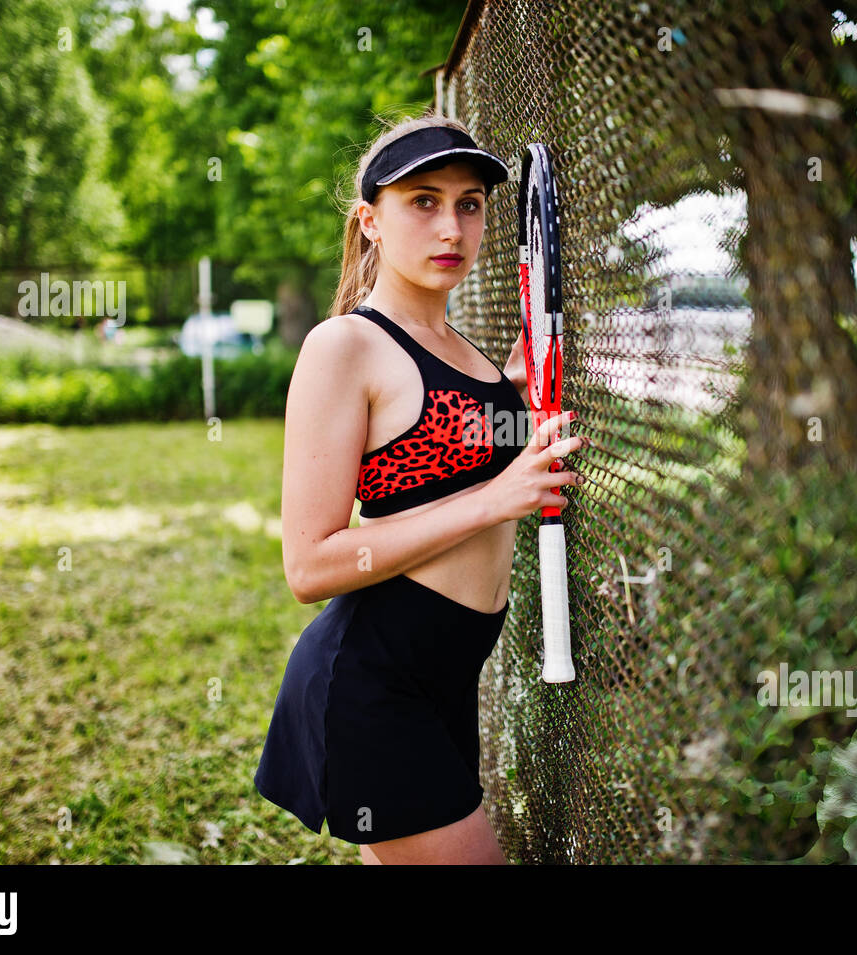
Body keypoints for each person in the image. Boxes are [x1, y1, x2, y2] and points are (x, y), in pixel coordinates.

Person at [254, 110, 589, 865]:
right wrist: (499, 497)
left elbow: (448, 438)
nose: (452, 227)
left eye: (469, 204)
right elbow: (309, 566)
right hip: (374, 685)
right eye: (424, 201)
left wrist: (513, 382)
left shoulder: (460, 349)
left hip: (445, 684)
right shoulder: (345, 346)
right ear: (371, 221)